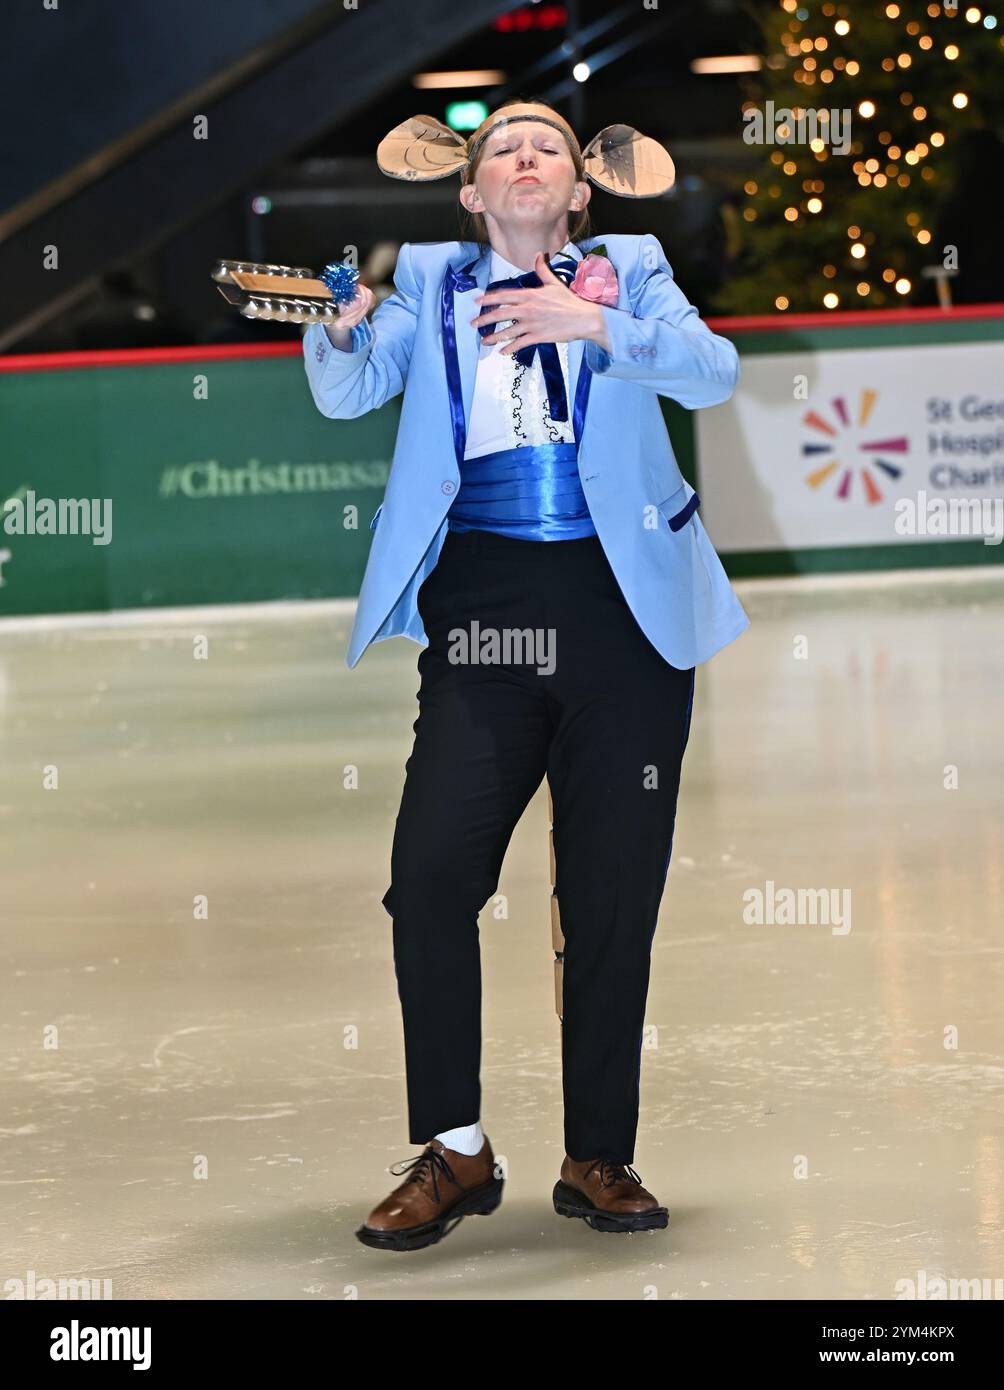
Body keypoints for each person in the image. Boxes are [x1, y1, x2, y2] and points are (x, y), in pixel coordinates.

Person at [302, 98, 750, 1251]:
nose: (524, 156)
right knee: (429, 877)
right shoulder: (430, 281)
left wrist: (595, 327)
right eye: (501, 144)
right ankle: (454, 1148)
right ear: (469, 189)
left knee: (608, 900)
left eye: (547, 143)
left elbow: (712, 371)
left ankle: (599, 1151)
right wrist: (343, 327)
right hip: (485, 622)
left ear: (578, 187)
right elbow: (348, 388)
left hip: (624, 617)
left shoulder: (631, 269)